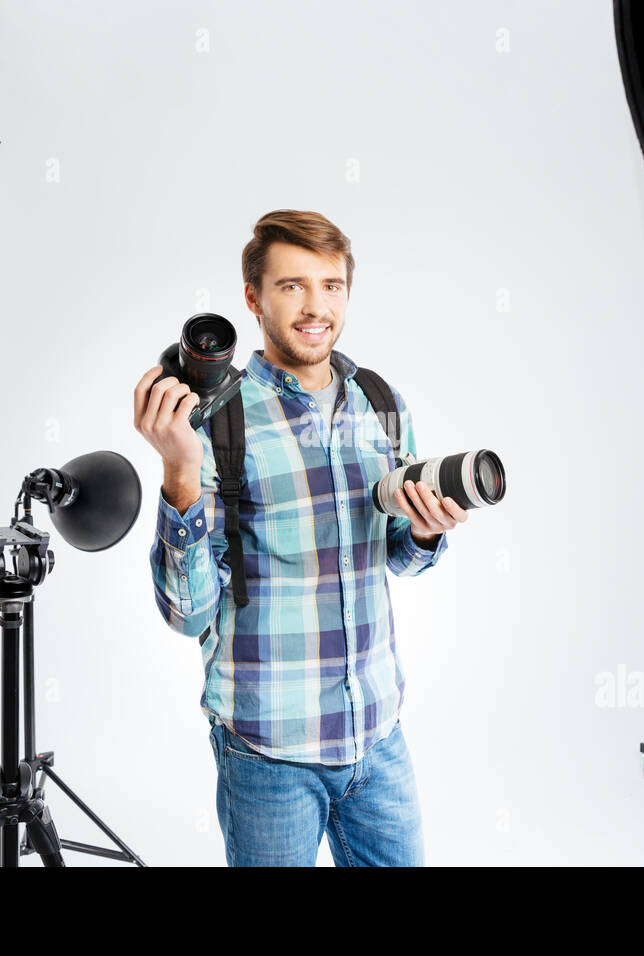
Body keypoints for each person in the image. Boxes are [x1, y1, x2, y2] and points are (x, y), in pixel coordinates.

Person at [134, 209, 466, 866]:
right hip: (268, 752)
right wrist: (179, 473)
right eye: (292, 286)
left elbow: (399, 556)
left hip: (379, 737)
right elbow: (186, 615)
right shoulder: (215, 419)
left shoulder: (381, 400)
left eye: (331, 285)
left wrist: (424, 533)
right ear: (253, 297)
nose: (316, 306)